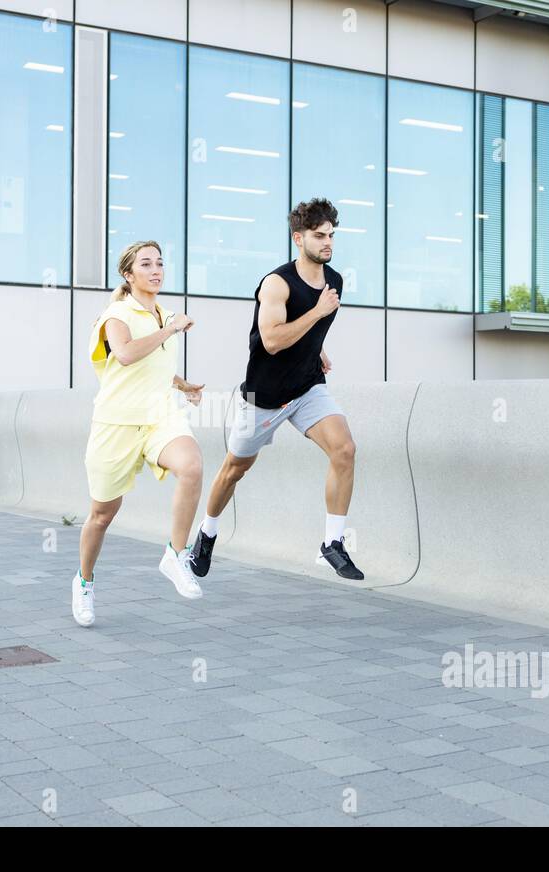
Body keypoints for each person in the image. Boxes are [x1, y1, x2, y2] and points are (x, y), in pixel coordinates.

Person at [189, 198, 364, 581]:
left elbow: (306, 329)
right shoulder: (276, 283)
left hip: (306, 389)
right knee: (235, 469)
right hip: (263, 397)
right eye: (319, 236)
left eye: (332, 235)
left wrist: (317, 349)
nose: (328, 242)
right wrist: (317, 312)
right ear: (298, 238)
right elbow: (270, 340)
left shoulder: (333, 280)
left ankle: (332, 544)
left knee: (345, 449)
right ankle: (206, 533)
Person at [73, 241, 207, 627]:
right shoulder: (117, 314)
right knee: (101, 515)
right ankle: (84, 581)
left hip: (159, 417)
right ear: (129, 275)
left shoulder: (163, 312)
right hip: (116, 423)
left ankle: (175, 553)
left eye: (160, 263)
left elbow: (155, 369)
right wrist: (170, 330)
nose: (156, 270)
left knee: (192, 466)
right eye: (145, 264)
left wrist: (184, 387)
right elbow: (127, 354)